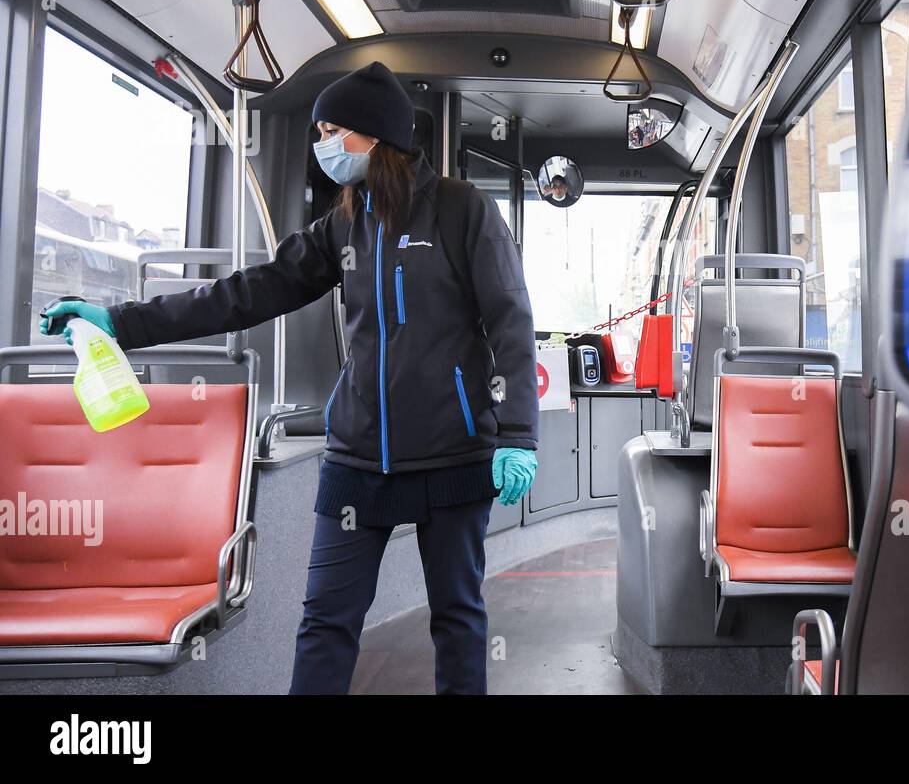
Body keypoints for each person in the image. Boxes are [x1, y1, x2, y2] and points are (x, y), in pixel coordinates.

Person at [39, 61, 540, 695]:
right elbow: (246, 294)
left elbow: (510, 320)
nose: (324, 145)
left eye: (334, 130)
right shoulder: (344, 226)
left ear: (375, 134)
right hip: (359, 458)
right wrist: (120, 320)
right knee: (326, 622)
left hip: (453, 454)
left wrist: (517, 431)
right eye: (319, 131)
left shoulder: (462, 211)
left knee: (458, 620)